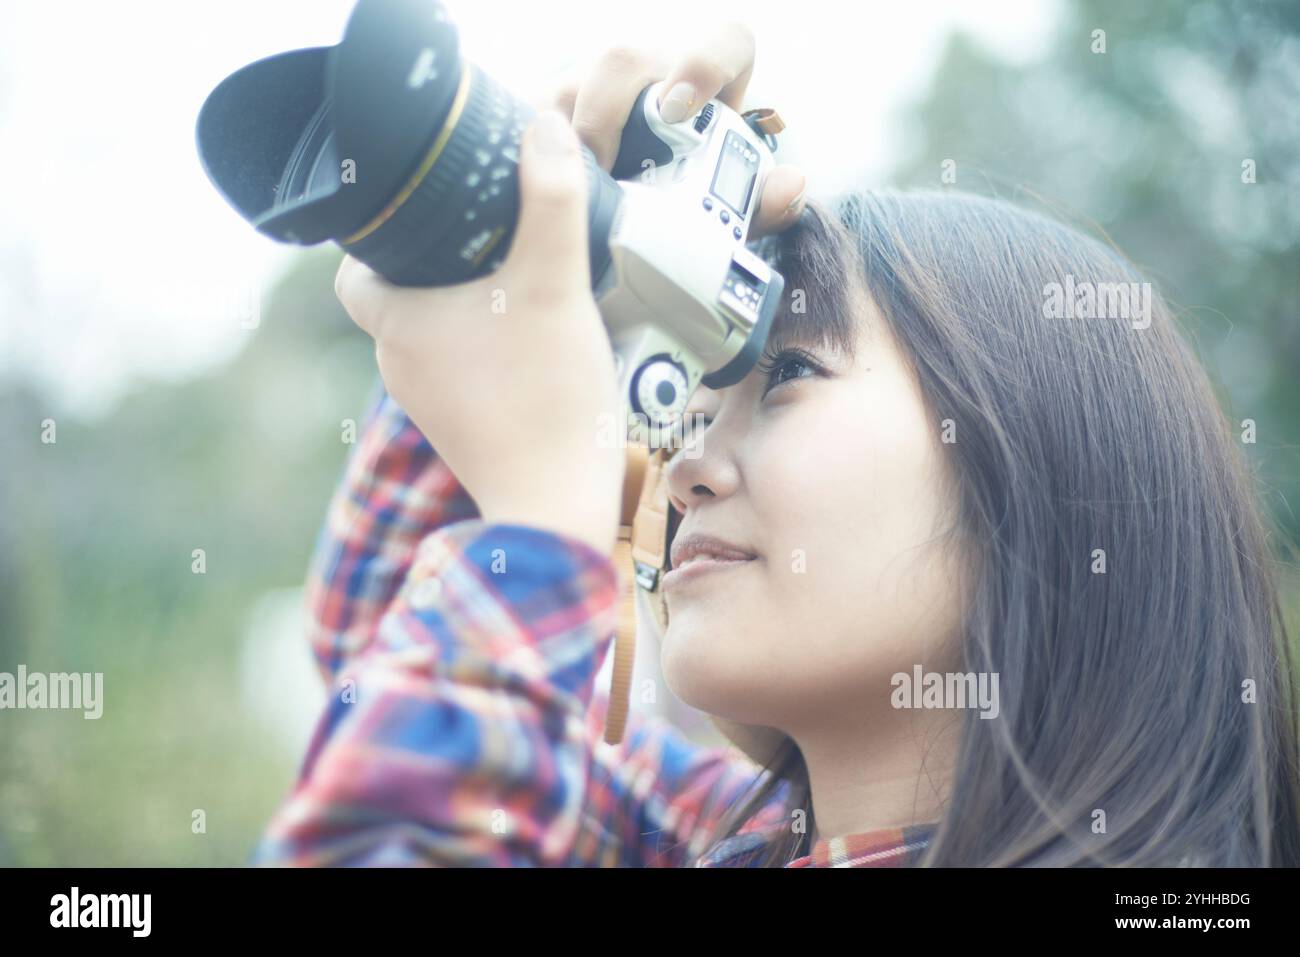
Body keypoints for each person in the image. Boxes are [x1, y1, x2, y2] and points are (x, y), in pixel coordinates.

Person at [249, 25, 1300, 868]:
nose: (687, 467)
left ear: (1052, 481)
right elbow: (393, 678)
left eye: (788, 375)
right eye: (694, 406)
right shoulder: (710, 840)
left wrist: (538, 523)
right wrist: (537, 253)